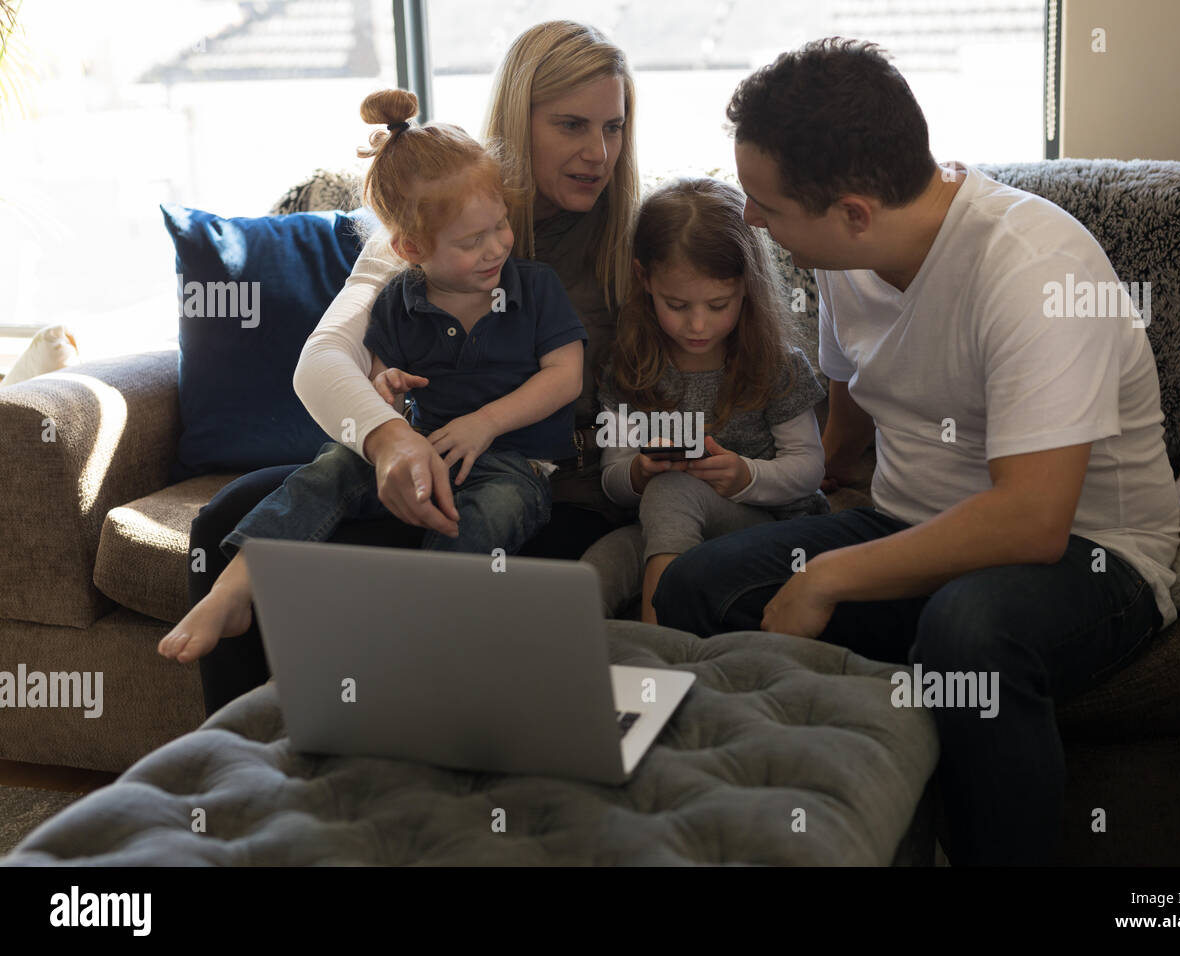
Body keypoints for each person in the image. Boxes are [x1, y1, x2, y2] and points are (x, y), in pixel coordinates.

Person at [652, 38, 1180, 866]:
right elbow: (851, 408)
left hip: (1090, 558)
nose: (750, 219)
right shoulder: (842, 254)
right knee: (696, 587)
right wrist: (803, 503)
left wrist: (823, 576)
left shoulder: (1033, 269)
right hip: (908, 525)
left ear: (855, 210)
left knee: (966, 631)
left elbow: (1033, 522)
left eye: (766, 204)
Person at [186, 21, 640, 712]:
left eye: (614, 127)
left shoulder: (631, 235)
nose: (598, 152)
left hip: (553, 487)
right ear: (522, 119)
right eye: (572, 125)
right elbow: (328, 360)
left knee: (457, 540)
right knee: (230, 515)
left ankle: (414, 711)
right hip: (430, 455)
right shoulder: (434, 207)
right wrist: (388, 432)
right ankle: (249, 769)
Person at [158, 91, 587, 664]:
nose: (496, 248)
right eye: (471, 241)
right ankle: (236, 587)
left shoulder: (533, 287)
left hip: (513, 462)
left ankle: (421, 629)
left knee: (489, 515)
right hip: (423, 452)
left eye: (501, 226)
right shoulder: (397, 301)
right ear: (409, 248)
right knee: (329, 468)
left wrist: (485, 423)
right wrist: (387, 392)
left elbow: (565, 376)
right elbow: (373, 370)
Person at [583, 177, 826, 623]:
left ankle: (662, 654)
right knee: (594, 571)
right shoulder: (629, 365)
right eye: (678, 305)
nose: (697, 325)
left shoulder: (776, 364)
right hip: (665, 526)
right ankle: (576, 670)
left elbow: (809, 470)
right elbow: (612, 477)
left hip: (764, 530)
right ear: (645, 279)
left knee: (674, 490)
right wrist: (638, 471)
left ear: (746, 289)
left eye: (718, 306)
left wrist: (744, 475)